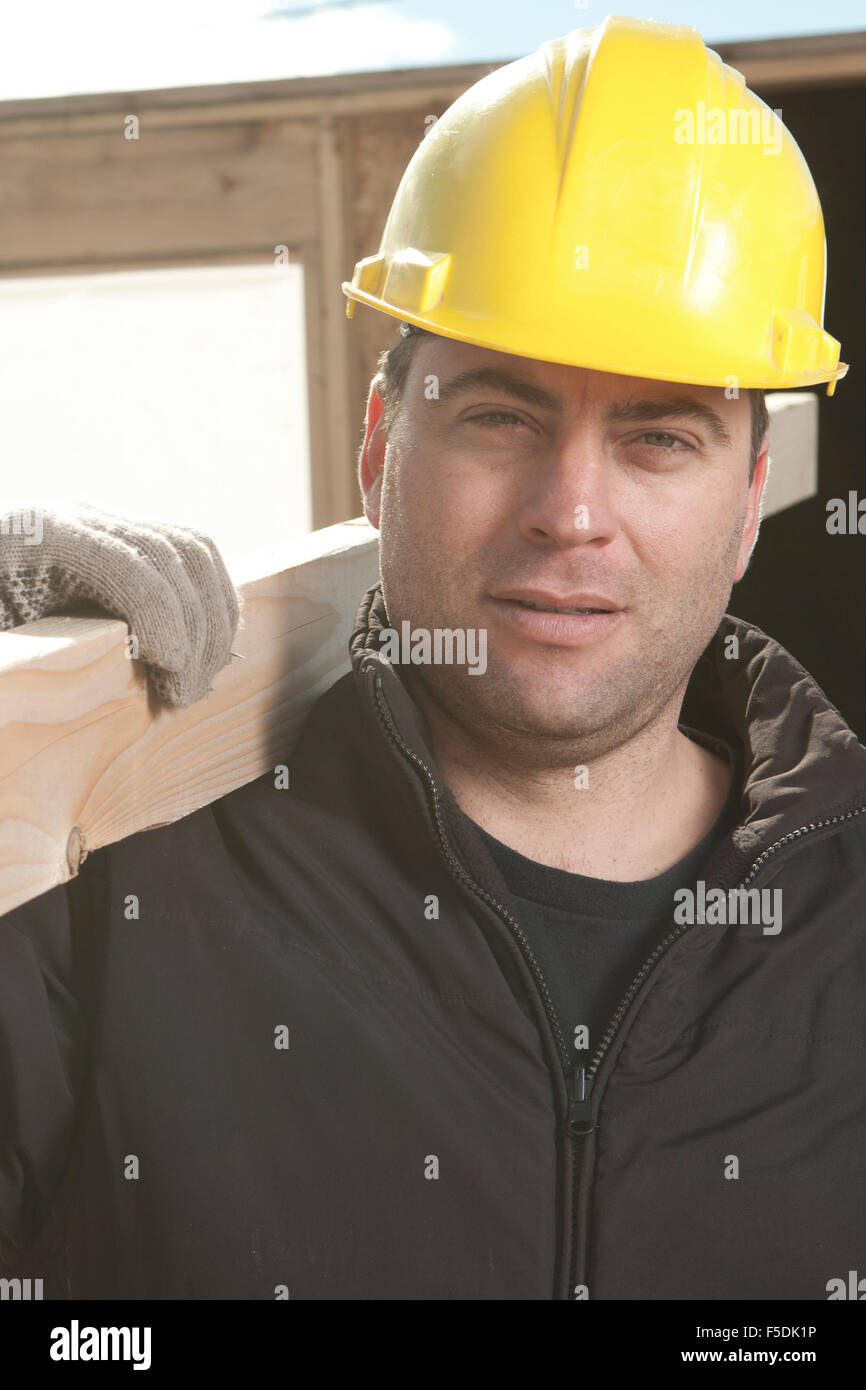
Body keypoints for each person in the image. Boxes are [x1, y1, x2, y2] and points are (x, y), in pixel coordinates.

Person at [1, 14, 863, 1301]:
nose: (568, 512)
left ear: (748, 500)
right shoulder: (104, 912)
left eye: (656, 438)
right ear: (376, 447)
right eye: (498, 412)